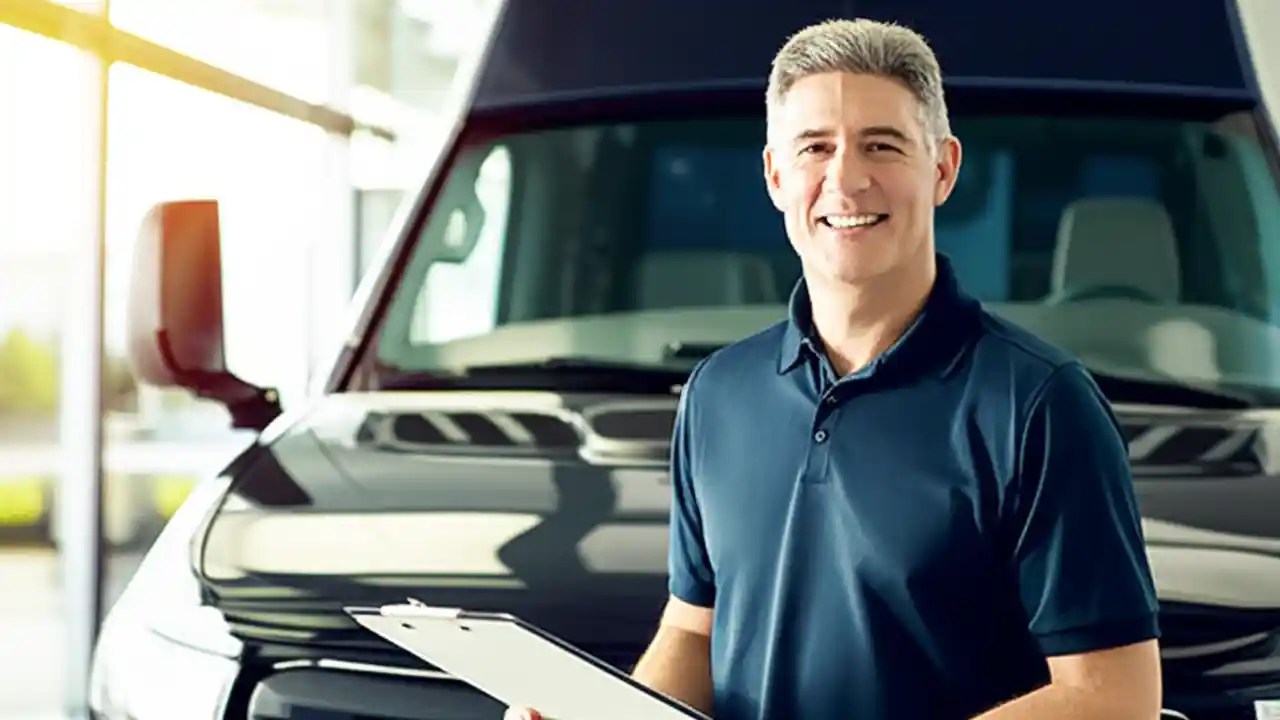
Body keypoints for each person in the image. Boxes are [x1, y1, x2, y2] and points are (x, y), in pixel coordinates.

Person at [508, 17, 1162, 720]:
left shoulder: (1037, 404)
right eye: (815, 147)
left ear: (942, 168)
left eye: (881, 146)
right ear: (774, 174)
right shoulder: (718, 393)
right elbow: (695, 630)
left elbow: (1114, 696)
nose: (846, 180)